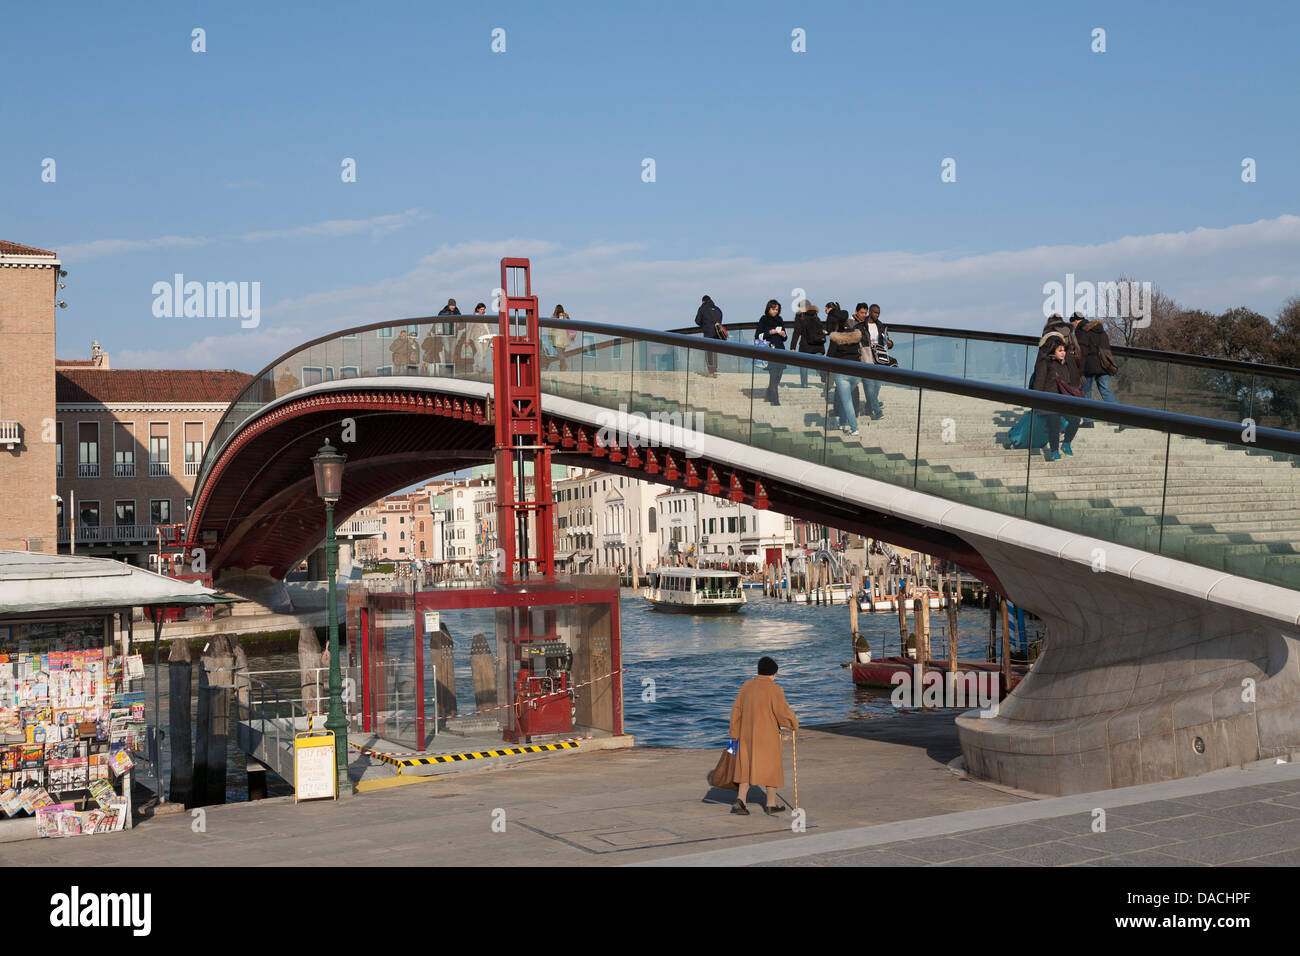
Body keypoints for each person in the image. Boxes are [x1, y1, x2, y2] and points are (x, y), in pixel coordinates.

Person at [728, 655, 798, 815]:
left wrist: (733, 734)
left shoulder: (746, 686)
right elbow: (782, 713)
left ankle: (741, 799)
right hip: (767, 737)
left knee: (744, 768)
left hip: (745, 737)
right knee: (771, 768)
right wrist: (793, 723)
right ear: (773, 674)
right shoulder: (775, 689)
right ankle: (771, 803)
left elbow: (736, 711)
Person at [1033, 340, 1082, 460]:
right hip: (1048, 402)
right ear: (1052, 351)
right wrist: (1036, 401)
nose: (1063, 353)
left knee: (1075, 419)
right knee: (1055, 423)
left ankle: (1066, 444)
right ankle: (1054, 450)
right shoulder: (1045, 363)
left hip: (1063, 401)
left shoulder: (1065, 365)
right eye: (1060, 350)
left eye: (1064, 350)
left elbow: (1070, 383)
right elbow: (1039, 383)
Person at [1071, 312, 1118, 424]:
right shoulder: (1102, 331)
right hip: (1104, 365)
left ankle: (1088, 420)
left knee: (1086, 392)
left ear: (1076, 321)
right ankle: (1118, 418)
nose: (1073, 326)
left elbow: (1083, 353)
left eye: (1072, 323)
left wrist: (1080, 372)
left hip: (1089, 366)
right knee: (1106, 391)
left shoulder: (1082, 331)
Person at [825, 306, 862, 436]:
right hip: (856, 372)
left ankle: (854, 427)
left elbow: (830, 355)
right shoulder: (855, 334)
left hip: (842, 373)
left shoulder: (836, 337)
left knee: (846, 401)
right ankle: (841, 422)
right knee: (843, 397)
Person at [852, 302, 891, 420]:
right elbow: (854, 341)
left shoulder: (881, 326)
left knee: (877, 385)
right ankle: (877, 412)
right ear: (870, 312)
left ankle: (869, 407)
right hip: (866, 356)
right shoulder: (860, 326)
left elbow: (887, 340)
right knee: (869, 385)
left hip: (879, 359)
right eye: (875, 312)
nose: (877, 315)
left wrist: (890, 343)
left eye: (879, 313)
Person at [755, 299, 788, 405]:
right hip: (769, 350)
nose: (775, 311)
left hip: (780, 350)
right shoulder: (763, 319)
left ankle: (769, 395)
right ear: (768, 308)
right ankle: (775, 401)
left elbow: (784, 338)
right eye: (773, 309)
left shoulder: (780, 319)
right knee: (774, 376)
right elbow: (758, 335)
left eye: (777, 309)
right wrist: (770, 332)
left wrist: (784, 335)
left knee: (778, 376)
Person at [788, 298, 826, 388]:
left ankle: (804, 384)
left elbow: (797, 332)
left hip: (805, 345)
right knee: (819, 362)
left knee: (803, 364)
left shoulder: (800, 316)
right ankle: (824, 375)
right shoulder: (816, 316)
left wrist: (792, 347)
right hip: (818, 344)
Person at [695, 295, 725, 377]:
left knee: (708, 352)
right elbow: (720, 322)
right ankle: (715, 369)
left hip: (708, 333)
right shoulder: (718, 309)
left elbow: (697, 321)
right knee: (715, 351)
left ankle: (711, 370)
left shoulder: (702, 308)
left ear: (703, 301)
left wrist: (704, 325)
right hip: (717, 334)